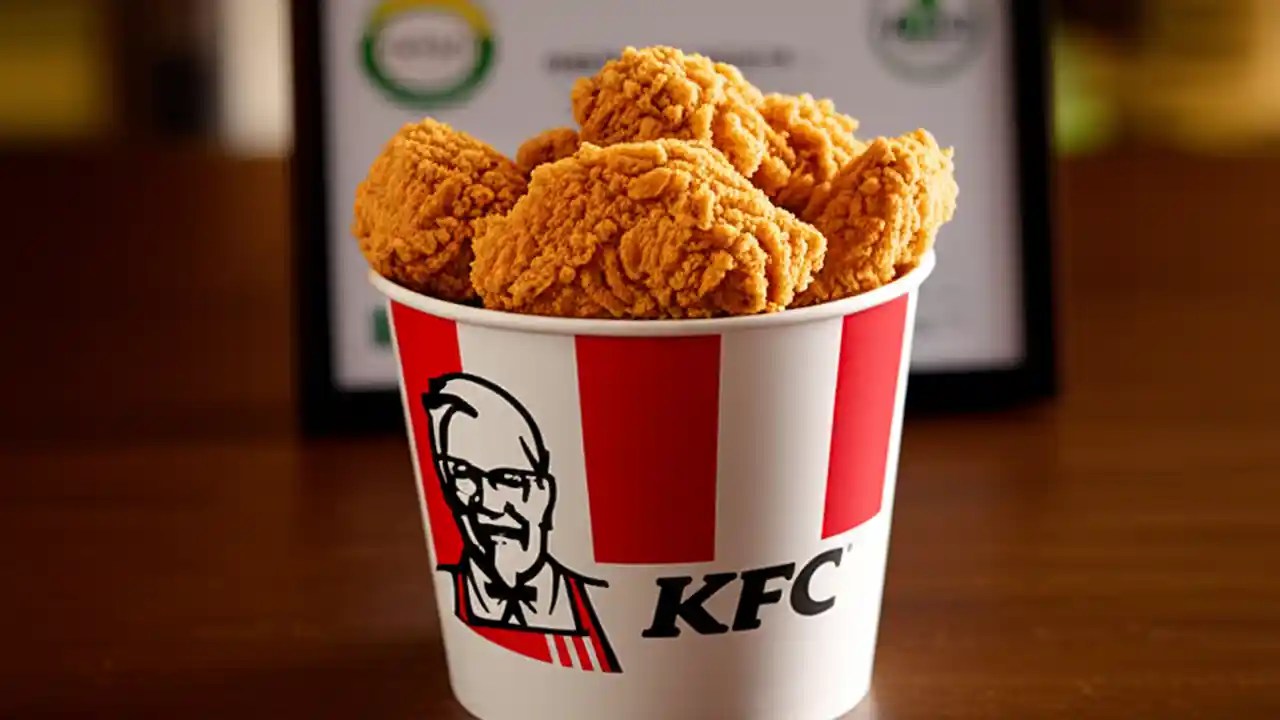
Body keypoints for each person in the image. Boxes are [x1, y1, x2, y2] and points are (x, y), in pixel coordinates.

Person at [422, 373, 620, 672]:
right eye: (463, 474)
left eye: (509, 479)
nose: (488, 503)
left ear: (544, 493)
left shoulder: (607, 603)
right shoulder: (452, 589)